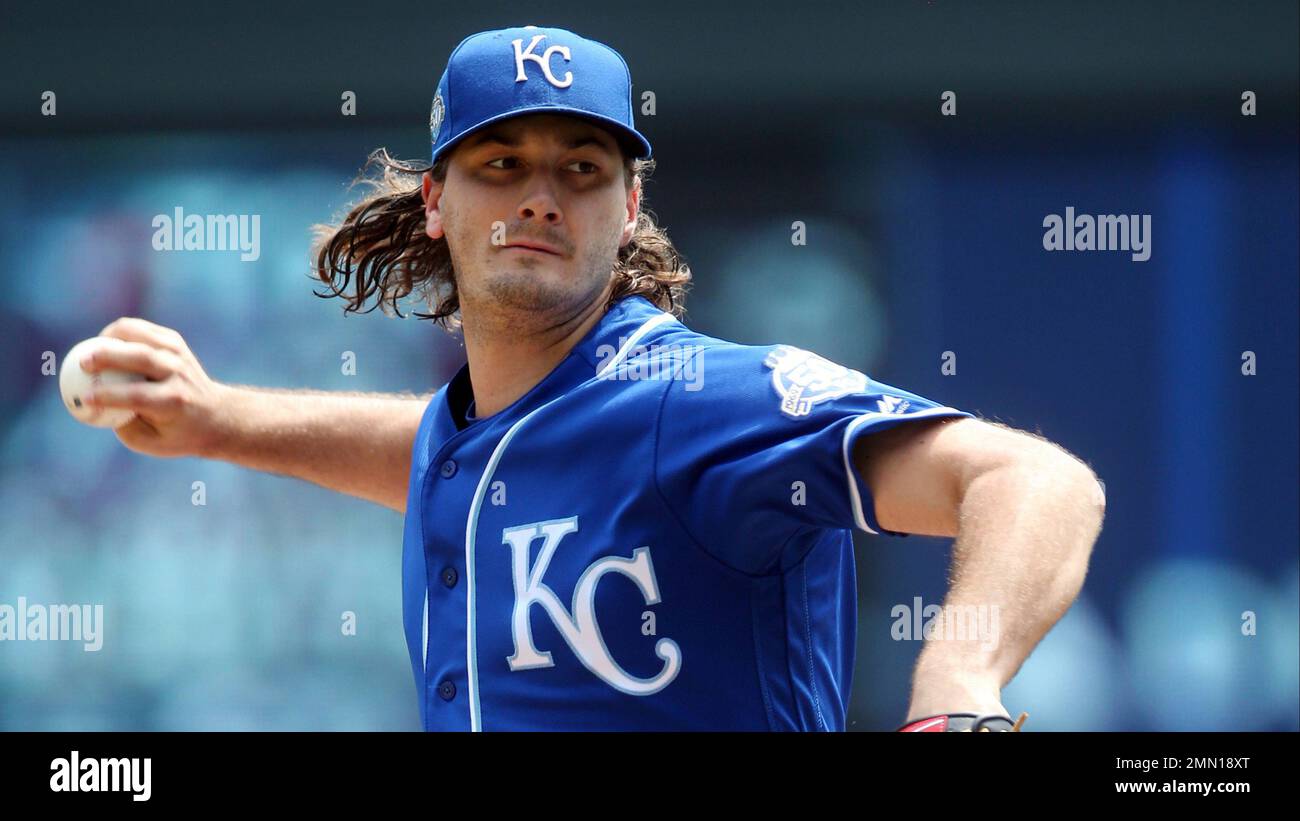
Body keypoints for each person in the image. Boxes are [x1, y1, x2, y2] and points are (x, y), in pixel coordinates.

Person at [79, 25, 1105, 731]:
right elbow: (459, 458)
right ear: (435, 199)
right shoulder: (478, 439)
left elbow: (1035, 480)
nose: (540, 195)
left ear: (626, 205)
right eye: (500, 164)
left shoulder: (703, 404)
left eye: (580, 167)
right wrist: (216, 419)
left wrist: (957, 674)